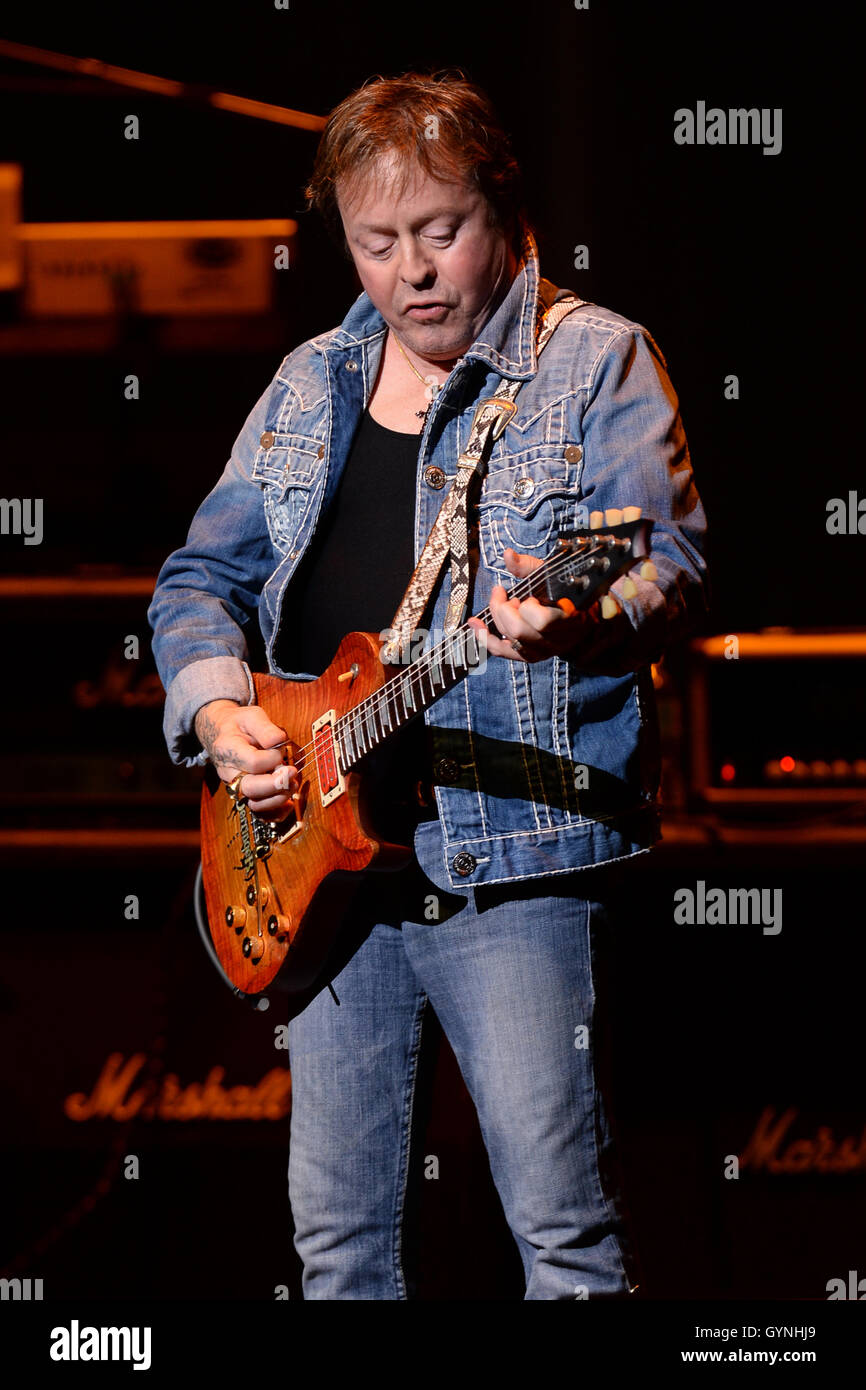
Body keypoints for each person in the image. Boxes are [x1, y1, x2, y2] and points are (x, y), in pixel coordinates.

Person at [148, 69, 708, 1300]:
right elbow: (199, 576)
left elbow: (664, 563)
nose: (411, 271)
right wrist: (218, 706)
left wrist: (574, 619)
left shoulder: (595, 362)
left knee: (559, 1239)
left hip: (510, 859)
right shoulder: (309, 382)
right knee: (337, 1249)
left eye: (439, 233)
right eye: (376, 242)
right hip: (323, 863)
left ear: (501, 214)